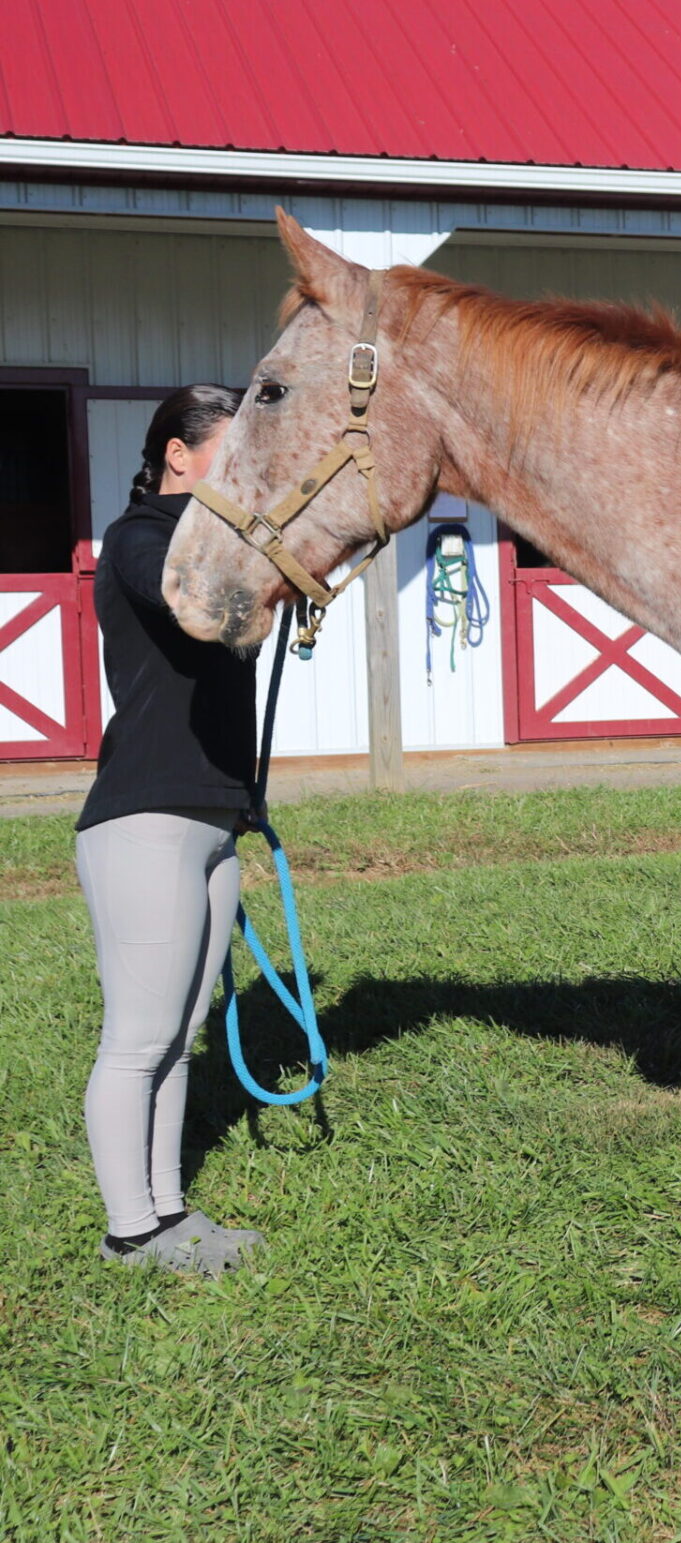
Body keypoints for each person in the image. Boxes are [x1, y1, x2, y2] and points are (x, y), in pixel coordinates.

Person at [76, 384, 265, 1275]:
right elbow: (192, 598)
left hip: (213, 816)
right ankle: (129, 1230)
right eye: (229, 451)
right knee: (140, 1035)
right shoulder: (144, 535)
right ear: (178, 455)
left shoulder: (221, 542)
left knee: (180, 1029)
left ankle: (166, 1213)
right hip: (143, 814)